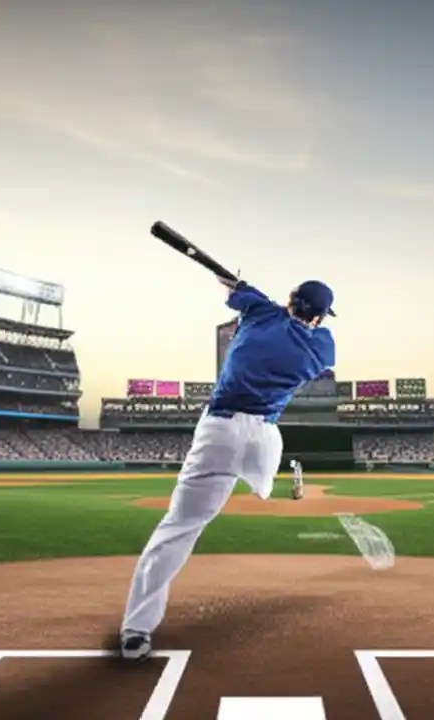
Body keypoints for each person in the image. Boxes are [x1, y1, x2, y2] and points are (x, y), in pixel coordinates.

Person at [120, 276, 337, 660]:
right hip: (262, 440)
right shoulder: (322, 346)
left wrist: (245, 288)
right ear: (318, 317)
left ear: (291, 298)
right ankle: (263, 486)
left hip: (218, 434)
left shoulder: (258, 312)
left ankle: (136, 631)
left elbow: (235, 292)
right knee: (266, 471)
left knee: (177, 528)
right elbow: (297, 324)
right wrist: (277, 306)